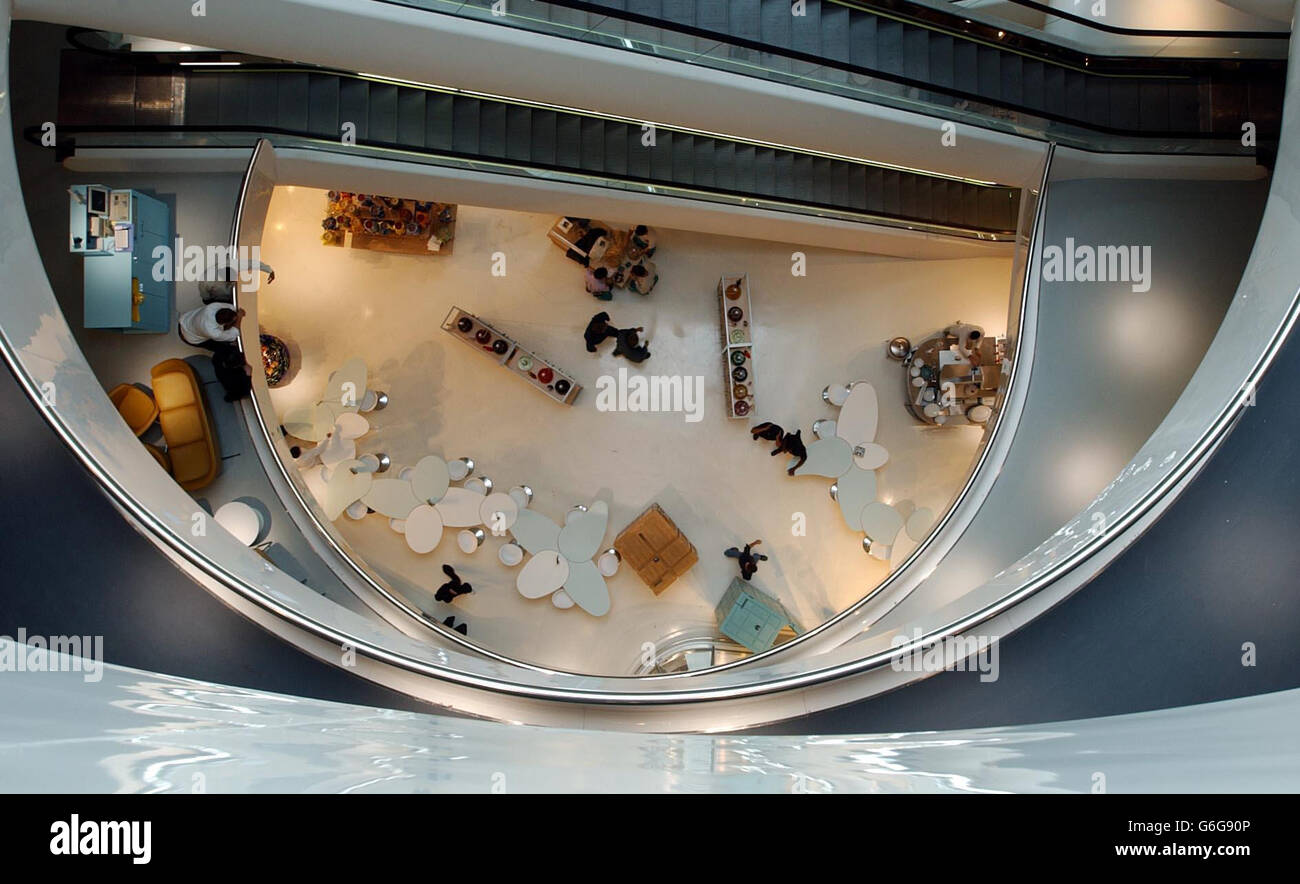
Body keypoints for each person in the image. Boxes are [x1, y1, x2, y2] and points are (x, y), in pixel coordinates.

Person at [199, 257, 275, 303]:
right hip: (218, 298)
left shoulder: (232, 264)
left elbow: (253, 263)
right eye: (230, 281)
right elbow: (206, 299)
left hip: (233, 293)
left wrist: (270, 271)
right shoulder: (206, 281)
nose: (233, 281)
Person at [178, 303, 245, 351]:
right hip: (190, 337)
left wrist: (237, 315)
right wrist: (239, 318)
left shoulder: (212, 307)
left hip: (186, 320)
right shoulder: (212, 332)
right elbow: (234, 333)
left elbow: (232, 307)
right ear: (225, 323)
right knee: (223, 348)